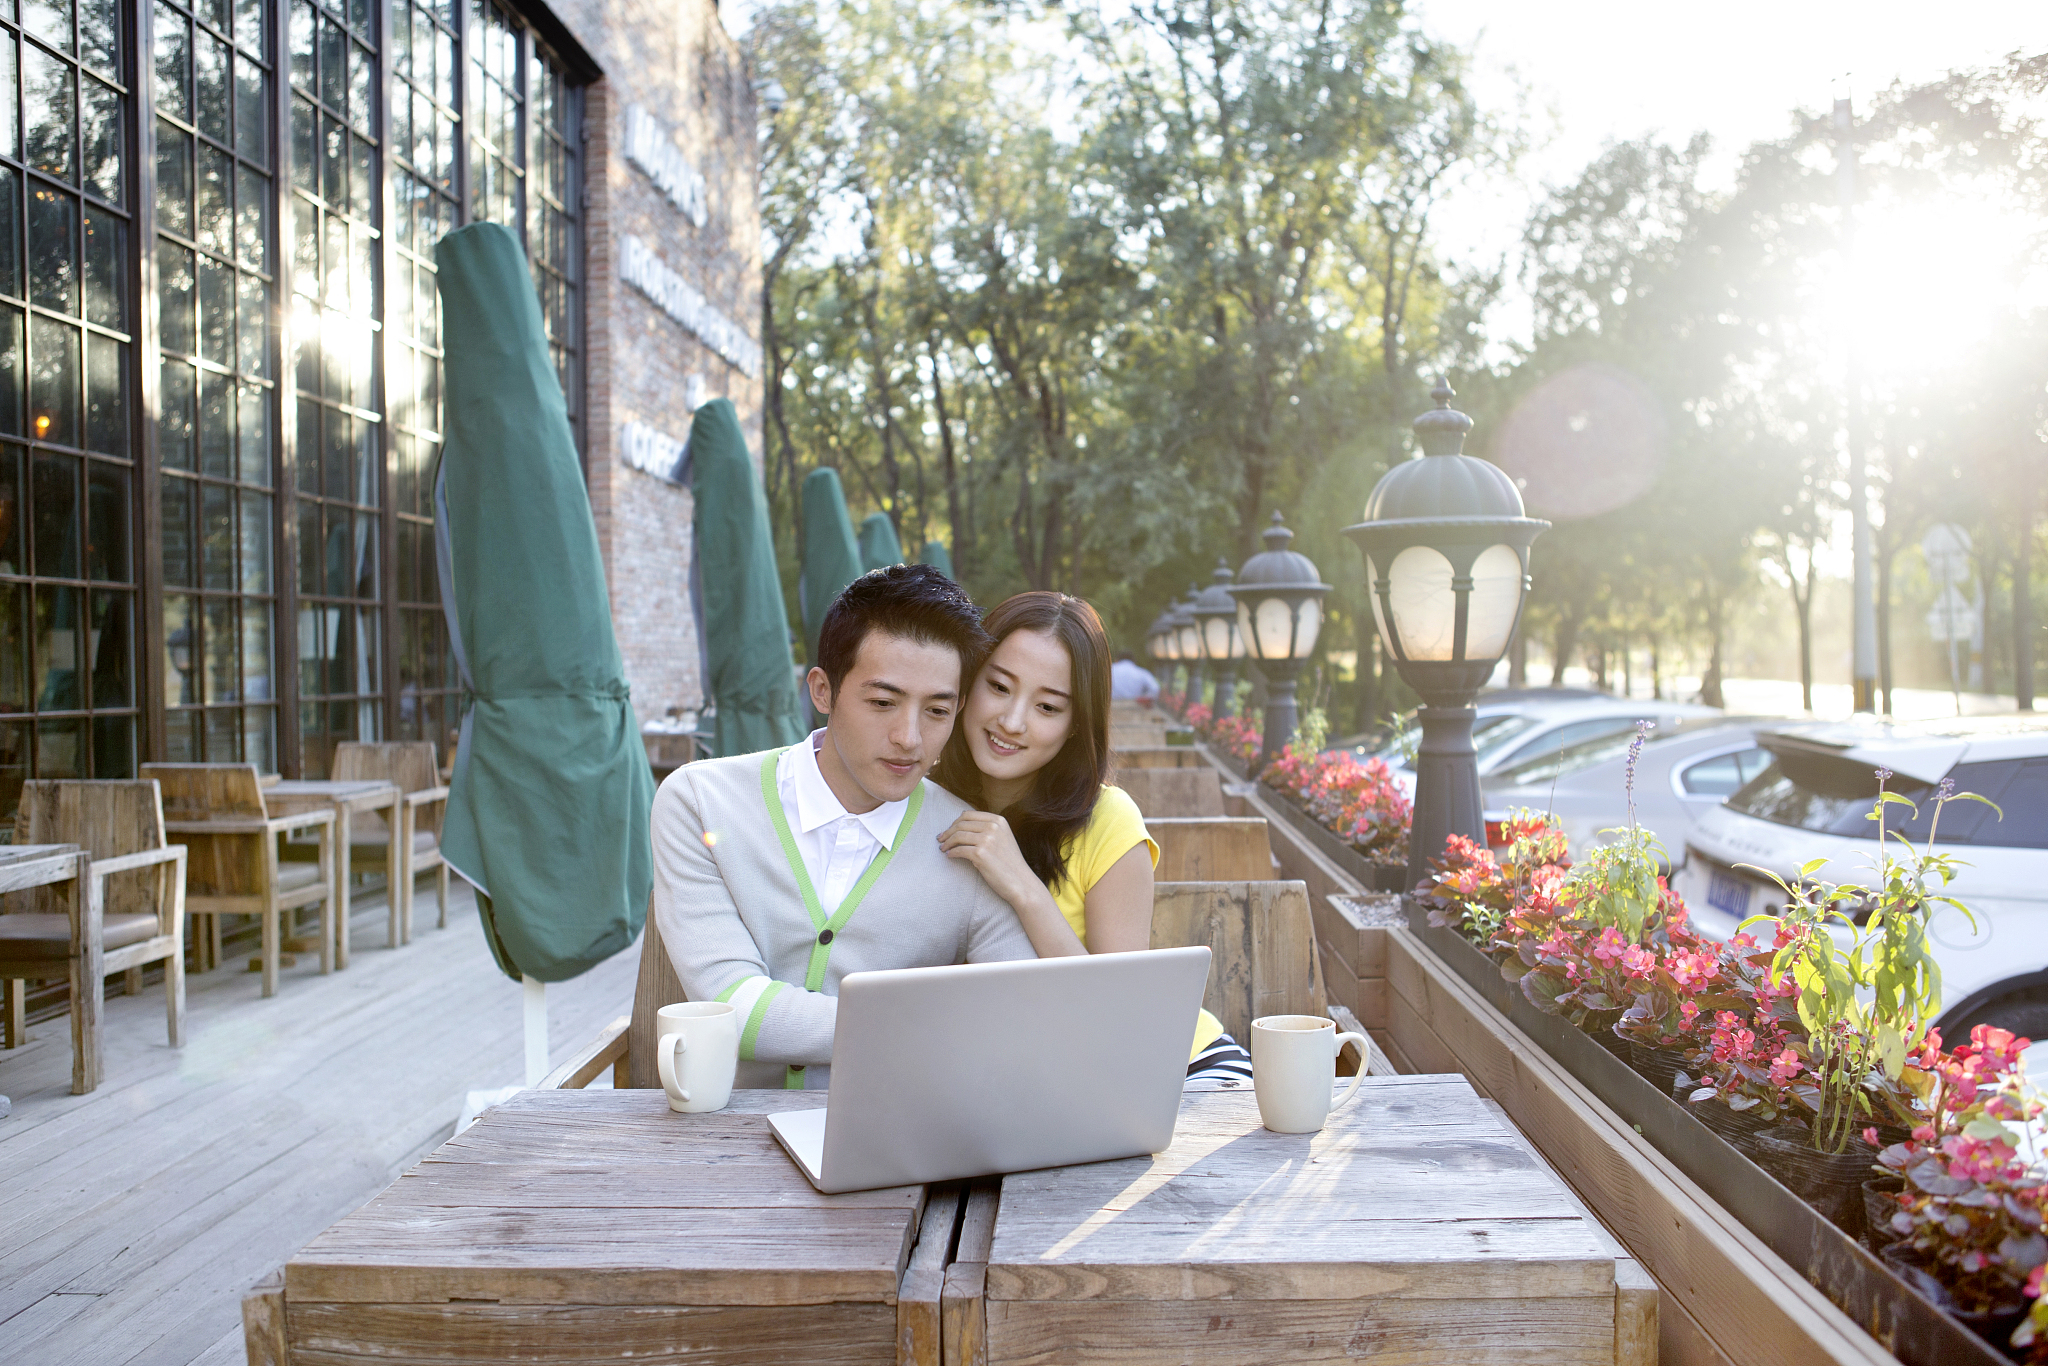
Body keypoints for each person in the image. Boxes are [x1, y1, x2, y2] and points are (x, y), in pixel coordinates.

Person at [649, 564, 1047, 1091]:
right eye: (882, 703)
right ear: (822, 690)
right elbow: (730, 1002)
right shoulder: (700, 802)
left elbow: (1022, 1010)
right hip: (725, 1139)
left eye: (937, 710)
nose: (909, 737)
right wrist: (919, 1027)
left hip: (891, 1148)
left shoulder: (971, 842)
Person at [933, 592, 1252, 1087]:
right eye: (998, 686)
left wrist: (1022, 885)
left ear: (1074, 727)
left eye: (1047, 706)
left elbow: (1117, 1013)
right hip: (1025, 1080)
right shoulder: (921, 804)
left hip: (1175, 1067)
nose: (1012, 722)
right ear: (966, 682)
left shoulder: (1108, 820)